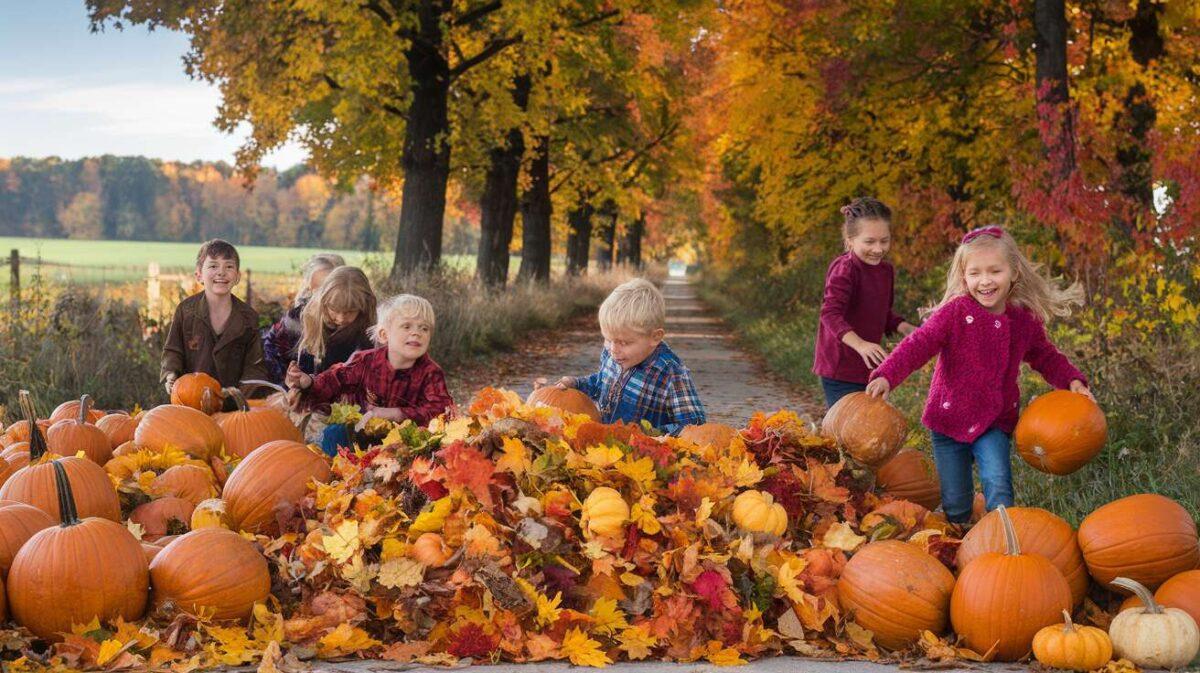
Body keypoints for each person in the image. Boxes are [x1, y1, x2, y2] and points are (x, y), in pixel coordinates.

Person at [865, 226, 1094, 524]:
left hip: (994, 420)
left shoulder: (1023, 320)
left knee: (998, 481)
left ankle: (1002, 536)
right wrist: (887, 375)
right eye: (975, 273)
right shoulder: (954, 314)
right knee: (955, 500)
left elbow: (1045, 356)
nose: (985, 281)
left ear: (1013, 273)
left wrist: (1073, 380)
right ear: (964, 277)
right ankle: (959, 540)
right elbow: (917, 345)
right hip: (948, 421)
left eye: (994, 271)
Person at [544, 278, 705, 435]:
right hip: (605, 446)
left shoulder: (670, 372)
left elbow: (694, 425)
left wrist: (652, 434)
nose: (613, 350)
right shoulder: (612, 354)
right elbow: (601, 383)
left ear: (655, 337)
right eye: (608, 339)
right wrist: (576, 383)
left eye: (624, 343)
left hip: (644, 454)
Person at [287, 294, 454, 429]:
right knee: (332, 433)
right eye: (407, 326)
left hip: (406, 444)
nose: (416, 333)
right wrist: (308, 382)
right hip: (360, 433)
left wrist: (397, 414)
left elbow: (440, 410)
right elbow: (333, 381)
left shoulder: (431, 372)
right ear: (384, 335)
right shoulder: (365, 362)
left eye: (424, 328)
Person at [813, 197, 916, 408]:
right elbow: (830, 314)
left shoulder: (885, 271)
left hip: (869, 367)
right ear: (850, 240)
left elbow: (882, 312)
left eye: (884, 241)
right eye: (869, 242)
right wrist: (861, 345)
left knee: (868, 426)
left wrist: (906, 328)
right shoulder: (845, 269)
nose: (878, 249)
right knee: (848, 426)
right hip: (840, 367)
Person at [161, 239, 267, 398]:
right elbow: (173, 350)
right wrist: (171, 374)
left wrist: (238, 395)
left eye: (229, 266)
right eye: (213, 266)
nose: (221, 272)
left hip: (233, 406)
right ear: (199, 275)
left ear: (237, 276)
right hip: (192, 402)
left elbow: (255, 367)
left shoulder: (249, 318)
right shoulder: (186, 311)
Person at [261, 253, 346, 382]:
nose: (322, 296)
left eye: (328, 289)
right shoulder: (296, 318)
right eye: (317, 290)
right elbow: (272, 349)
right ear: (310, 289)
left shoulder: (348, 320)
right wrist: (285, 385)